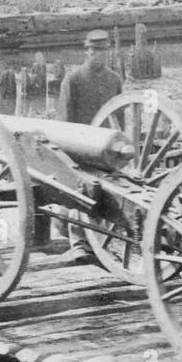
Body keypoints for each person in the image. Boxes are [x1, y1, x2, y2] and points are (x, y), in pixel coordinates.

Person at [57, 29, 122, 261]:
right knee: (79, 190)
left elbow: (119, 118)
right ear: (87, 51)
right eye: (95, 51)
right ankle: (79, 242)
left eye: (103, 51)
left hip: (106, 148)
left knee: (108, 191)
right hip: (79, 147)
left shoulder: (114, 79)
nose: (99, 56)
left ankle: (101, 241)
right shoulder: (73, 80)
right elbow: (64, 120)